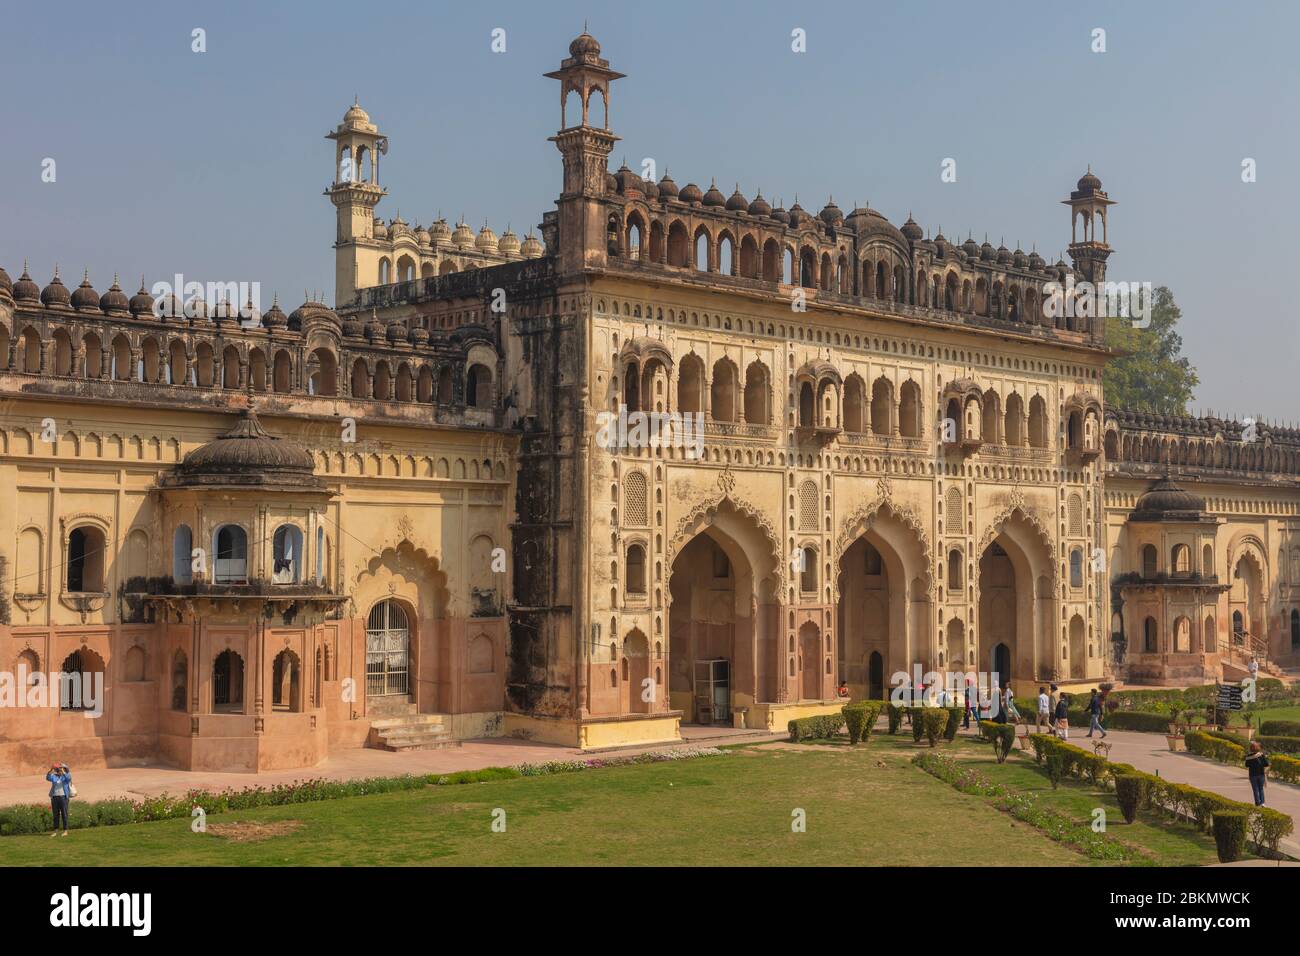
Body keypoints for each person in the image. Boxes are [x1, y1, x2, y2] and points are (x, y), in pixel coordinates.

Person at [46, 763, 72, 837]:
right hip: (55, 798)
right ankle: (55, 831)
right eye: (59, 769)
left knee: (64, 814)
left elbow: (68, 778)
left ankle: (65, 831)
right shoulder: (54, 776)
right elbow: (48, 778)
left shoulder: (66, 776)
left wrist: (63, 771)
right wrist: (51, 770)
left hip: (63, 797)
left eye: (61, 769)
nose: (60, 770)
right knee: (55, 815)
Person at [1246, 741, 1270, 806]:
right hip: (1261, 774)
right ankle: (1263, 803)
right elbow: (1266, 764)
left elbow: (1247, 765)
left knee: (1255, 790)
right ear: (1258, 748)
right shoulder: (1261, 755)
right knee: (1261, 789)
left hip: (1252, 775)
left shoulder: (1248, 756)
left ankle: (1257, 803)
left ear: (1251, 748)